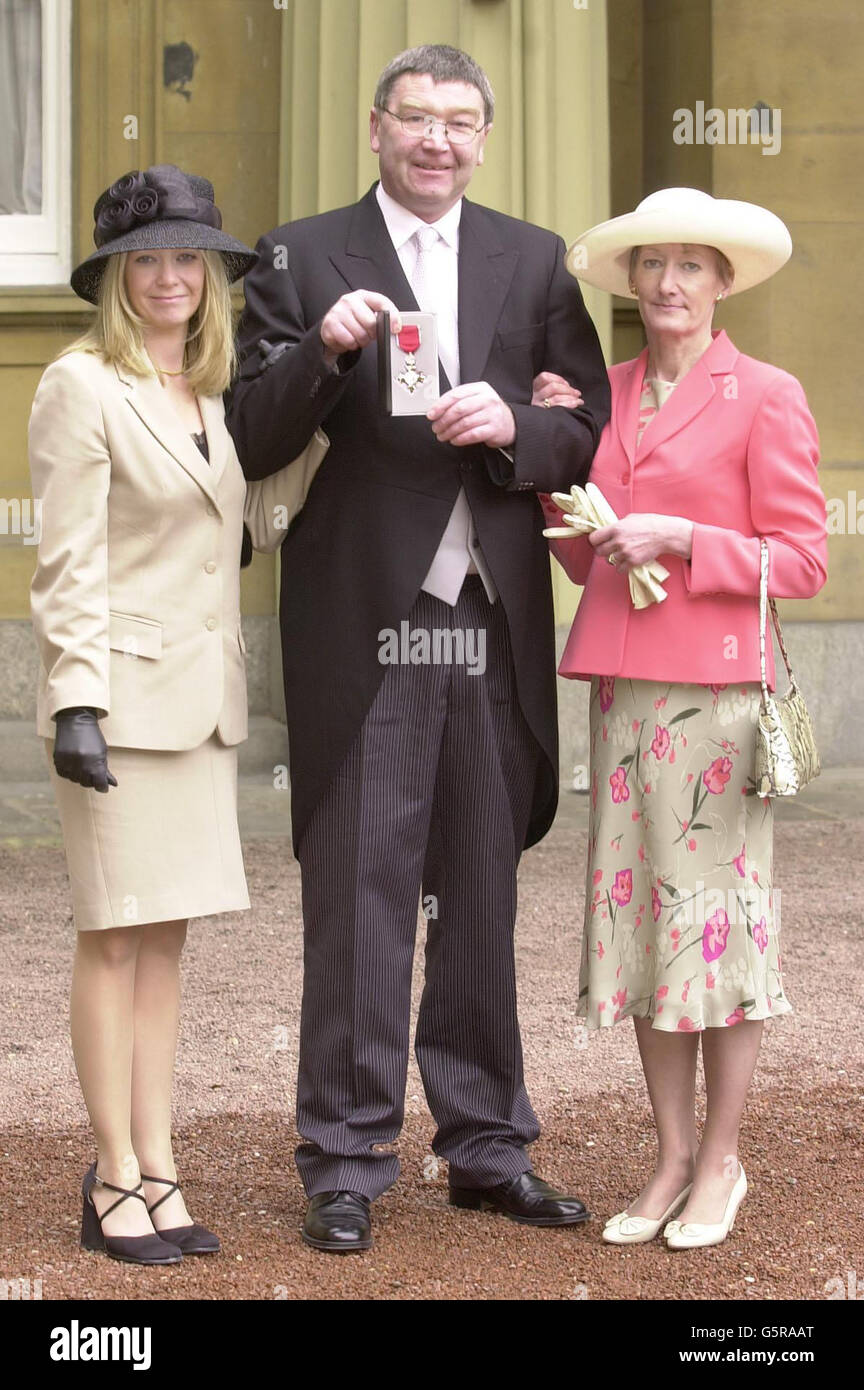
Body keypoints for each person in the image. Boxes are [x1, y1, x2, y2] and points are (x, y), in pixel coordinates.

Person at [226, 44, 611, 1251]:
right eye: (415, 118)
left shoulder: (535, 257)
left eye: (457, 121)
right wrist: (324, 352)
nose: (436, 139)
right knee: (360, 893)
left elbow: (586, 425)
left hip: (490, 616)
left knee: (483, 892)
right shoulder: (300, 253)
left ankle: (488, 1146)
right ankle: (343, 1159)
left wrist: (522, 425)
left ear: (482, 139)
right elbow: (247, 430)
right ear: (378, 130)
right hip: (367, 619)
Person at [28, 164, 327, 1265]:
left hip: (200, 711)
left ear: (212, 274)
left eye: (187, 257)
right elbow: (65, 566)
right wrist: (76, 703)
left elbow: (248, 523)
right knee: (111, 942)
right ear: (116, 276)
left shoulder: (207, 392)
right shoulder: (78, 386)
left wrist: (323, 418)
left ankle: (158, 1164)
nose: (170, 276)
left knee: (164, 948)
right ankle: (111, 1177)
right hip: (117, 711)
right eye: (147, 258)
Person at [536, 187, 827, 1249]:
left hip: (715, 704)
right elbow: (578, 558)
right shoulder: (601, 397)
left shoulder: (766, 394)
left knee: (717, 931)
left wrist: (683, 538)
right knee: (643, 930)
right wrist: (555, 470)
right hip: (622, 697)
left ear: (722, 282)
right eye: (653, 266)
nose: (668, 284)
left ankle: (721, 1162)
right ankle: (666, 1156)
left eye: (690, 267)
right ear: (633, 283)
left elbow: (801, 559)